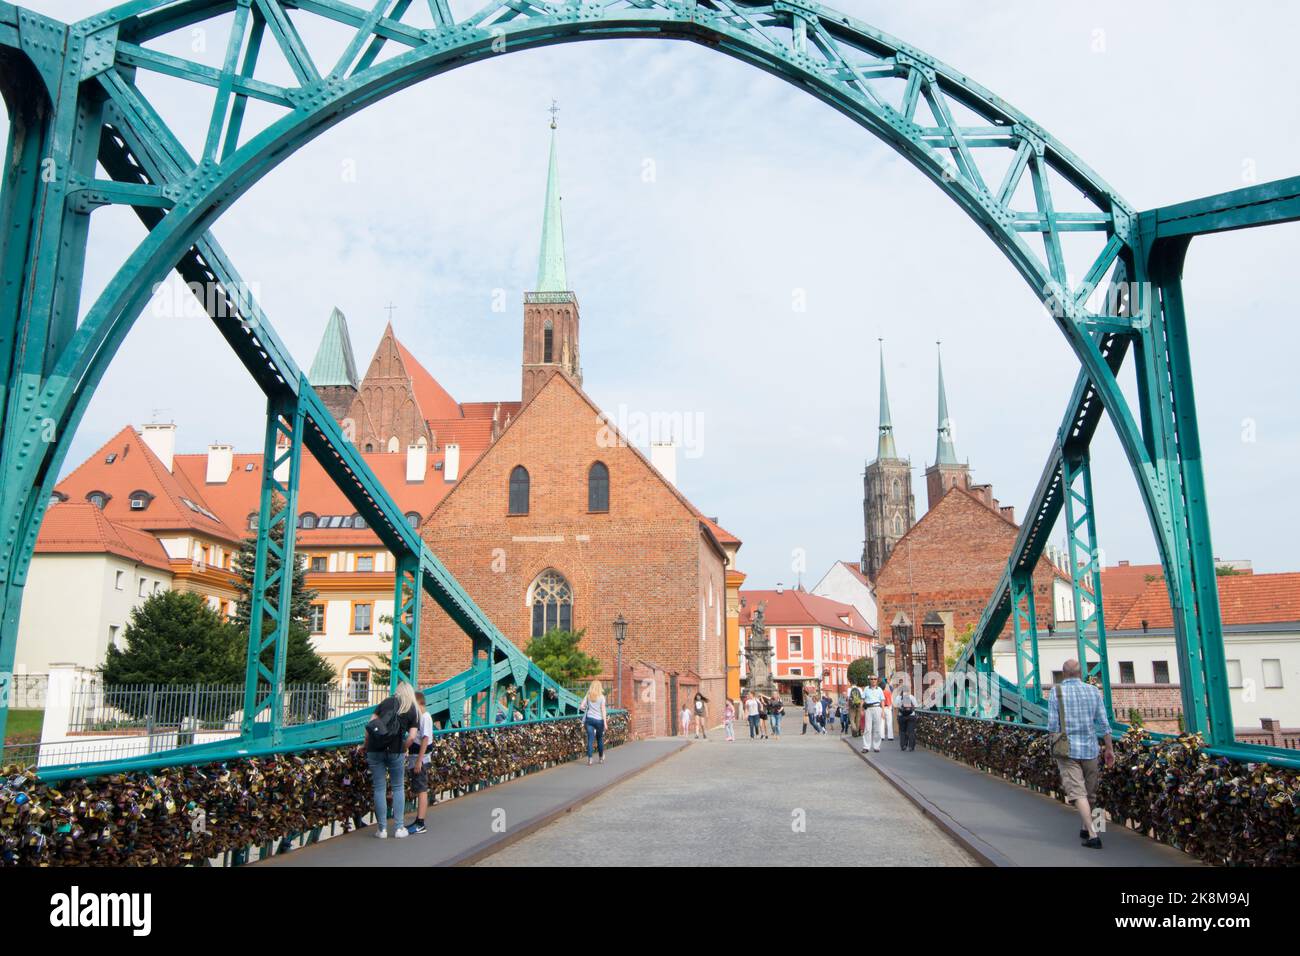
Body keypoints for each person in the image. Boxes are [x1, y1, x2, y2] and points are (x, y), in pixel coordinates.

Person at [1047, 659, 1115, 849]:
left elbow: (1052, 726)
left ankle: (1093, 835)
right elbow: (1103, 723)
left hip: (1067, 750)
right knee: (1090, 793)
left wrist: (1051, 746)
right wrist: (1109, 748)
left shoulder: (1056, 691)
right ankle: (1087, 827)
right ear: (1080, 673)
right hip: (1090, 748)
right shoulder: (1093, 691)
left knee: (1078, 792)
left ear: (1063, 673)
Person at [364, 680, 420, 839]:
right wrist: (404, 748)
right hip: (396, 750)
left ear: (397, 691)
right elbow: (412, 737)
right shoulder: (412, 708)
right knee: (397, 787)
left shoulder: (385, 702)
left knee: (379, 788)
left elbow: (370, 725)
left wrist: (365, 745)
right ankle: (399, 828)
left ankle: (381, 830)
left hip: (375, 749)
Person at [405, 692, 434, 834]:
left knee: (422, 790)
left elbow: (425, 739)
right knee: (419, 788)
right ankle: (418, 820)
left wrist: (419, 761)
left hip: (420, 758)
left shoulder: (425, 717)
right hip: (417, 757)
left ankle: (421, 822)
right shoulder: (421, 717)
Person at [578, 679, 607, 765]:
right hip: (599, 720)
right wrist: (605, 723)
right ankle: (601, 758)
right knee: (599, 739)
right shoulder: (602, 697)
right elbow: (603, 710)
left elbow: (581, 707)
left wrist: (587, 707)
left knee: (590, 739)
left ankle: (590, 759)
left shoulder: (588, 695)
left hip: (589, 720)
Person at [860, 675, 885, 752]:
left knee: (877, 728)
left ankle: (876, 746)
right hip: (868, 709)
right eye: (872, 679)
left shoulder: (879, 689)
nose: (873, 680)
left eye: (875, 679)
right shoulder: (866, 689)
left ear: (877, 680)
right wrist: (861, 710)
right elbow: (862, 700)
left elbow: (882, 701)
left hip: (877, 708)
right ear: (869, 680)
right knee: (867, 728)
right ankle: (866, 747)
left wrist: (883, 711)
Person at [896, 684, 918, 751]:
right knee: (911, 731)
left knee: (902, 731)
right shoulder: (911, 697)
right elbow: (916, 706)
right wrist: (911, 710)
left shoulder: (898, 698)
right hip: (911, 716)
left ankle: (903, 745)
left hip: (902, 716)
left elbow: (896, 706)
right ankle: (911, 746)